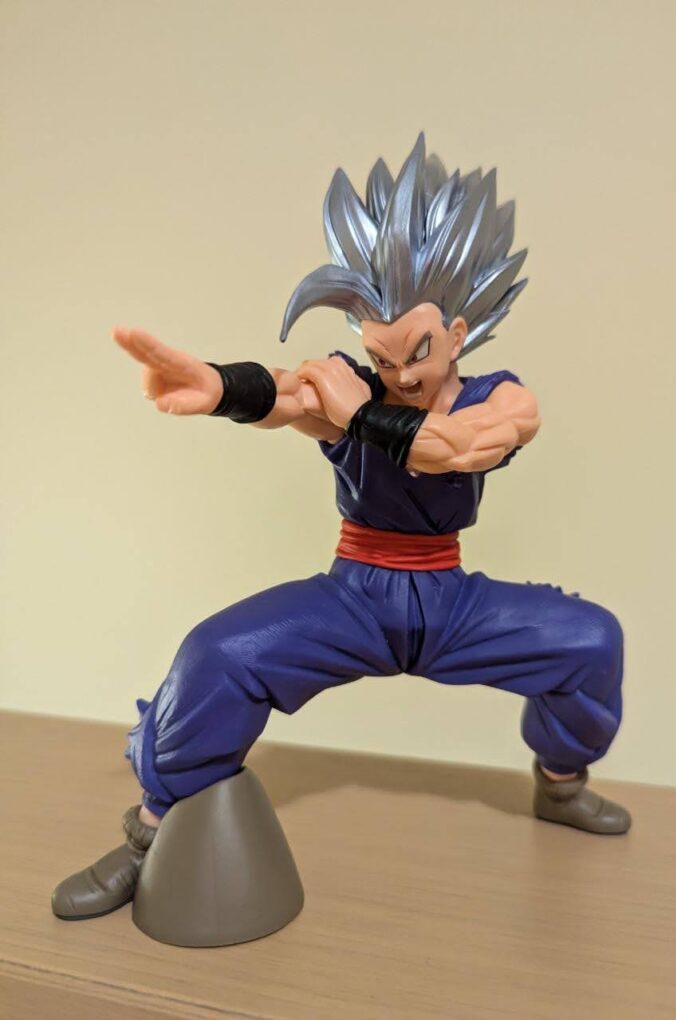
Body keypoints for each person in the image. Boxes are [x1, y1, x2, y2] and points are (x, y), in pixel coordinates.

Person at [52, 134, 630, 924]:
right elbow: (289, 395)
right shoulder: (350, 387)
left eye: (417, 353)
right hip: (354, 599)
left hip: (451, 602)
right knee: (215, 655)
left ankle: (560, 784)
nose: (400, 376)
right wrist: (221, 387)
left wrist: (360, 414)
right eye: (381, 358)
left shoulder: (501, 399)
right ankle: (148, 834)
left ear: (459, 332)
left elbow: (458, 449)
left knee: (591, 642)